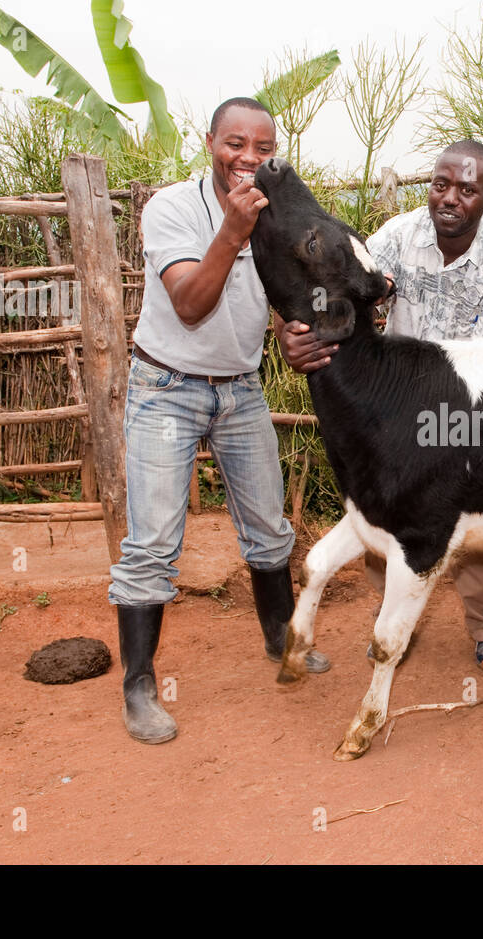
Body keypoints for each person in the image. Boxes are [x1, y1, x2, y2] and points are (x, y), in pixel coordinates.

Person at [109, 97, 329, 745]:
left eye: (263, 149)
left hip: (239, 387)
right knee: (152, 542)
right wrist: (233, 231)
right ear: (210, 141)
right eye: (236, 144)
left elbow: (289, 301)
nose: (249, 160)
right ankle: (140, 689)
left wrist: (293, 337)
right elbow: (189, 304)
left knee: (268, 527)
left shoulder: (276, 216)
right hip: (165, 385)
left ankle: (280, 641)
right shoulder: (171, 209)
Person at [277, 140, 483, 671]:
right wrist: (295, 329)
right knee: (388, 522)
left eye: (467, 190)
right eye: (441, 184)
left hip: (467, 405)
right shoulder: (395, 235)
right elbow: (348, 296)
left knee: (475, 520)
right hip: (392, 405)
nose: (450, 198)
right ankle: (398, 617)